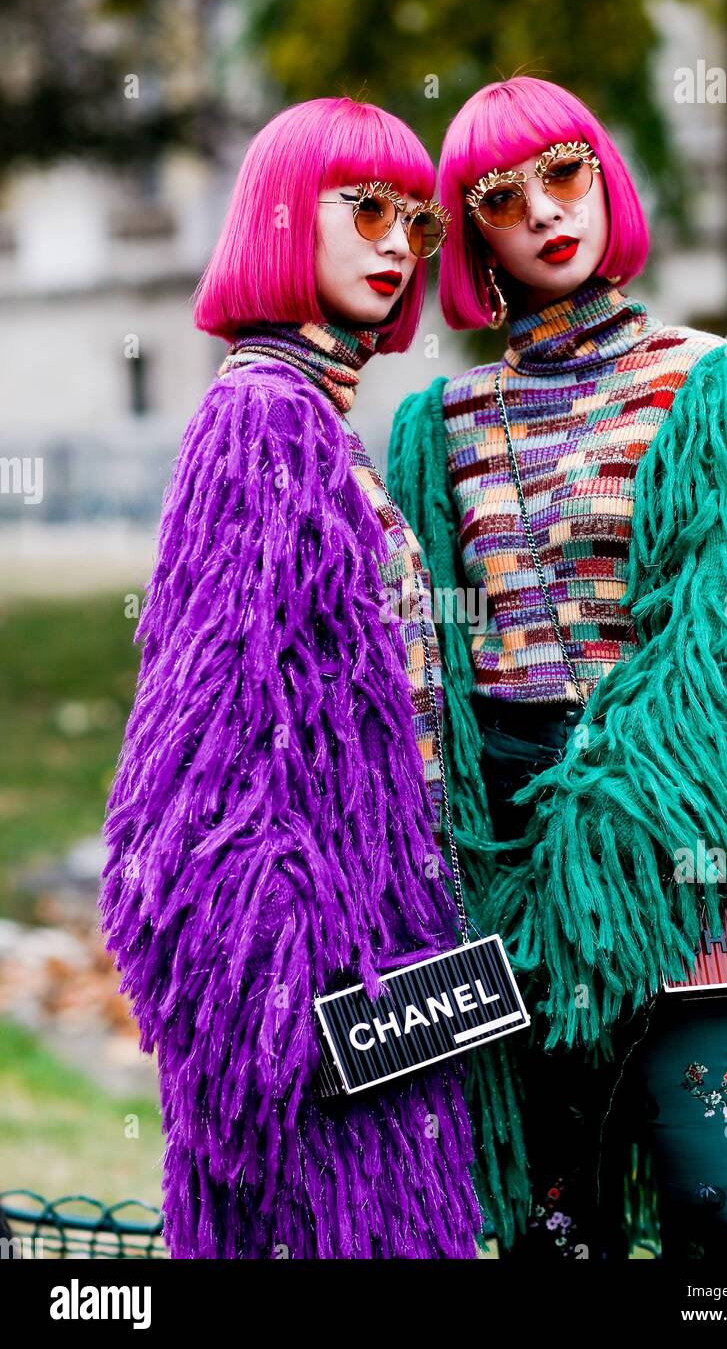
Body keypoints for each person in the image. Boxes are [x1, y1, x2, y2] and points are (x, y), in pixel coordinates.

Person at [387, 75, 727, 1259]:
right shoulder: (433, 422)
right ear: (474, 235)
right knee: (545, 1219)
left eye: (567, 173)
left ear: (606, 181)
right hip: (498, 863)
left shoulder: (712, 383)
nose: (548, 210)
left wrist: (613, 822)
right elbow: (420, 669)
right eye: (503, 197)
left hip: (682, 845)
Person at [98, 96, 488, 1259]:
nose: (391, 243)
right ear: (279, 217)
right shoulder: (262, 421)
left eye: (414, 224)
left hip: (378, 972)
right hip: (318, 1000)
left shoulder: (318, 424)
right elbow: (199, 755)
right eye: (362, 207)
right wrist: (273, 1004)